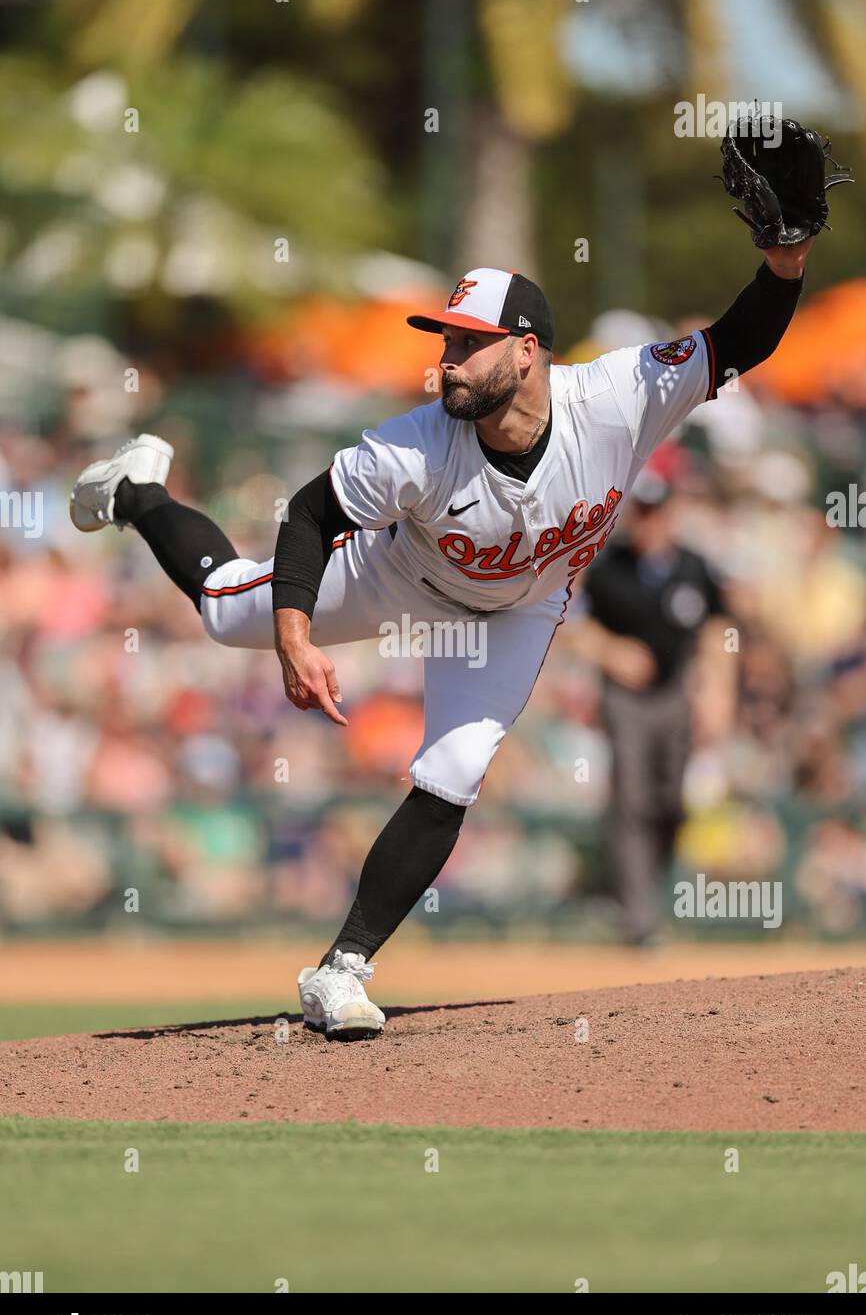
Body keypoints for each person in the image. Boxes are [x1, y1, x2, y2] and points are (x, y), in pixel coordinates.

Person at [69, 244, 812, 1039]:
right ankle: (141, 487)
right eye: (444, 342)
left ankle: (340, 969)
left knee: (454, 771)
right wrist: (294, 638)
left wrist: (787, 260)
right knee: (223, 609)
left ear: (527, 351)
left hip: (520, 609)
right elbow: (310, 515)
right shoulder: (415, 444)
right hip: (399, 577)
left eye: (467, 343)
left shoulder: (619, 395)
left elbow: (742, 341)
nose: (448, 361)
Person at [574, 472, 734, 944]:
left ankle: (649, 896)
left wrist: (718, 691)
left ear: (671, 513)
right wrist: (611, 652)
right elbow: (573, 624)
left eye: (656, 511)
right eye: (642, 512)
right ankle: (638, 921)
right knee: (631, 801)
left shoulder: (694, 567)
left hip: (677, 694)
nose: (649, 522)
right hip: (626, 700)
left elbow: (718, 630)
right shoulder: (609, 567)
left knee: (670, 802)